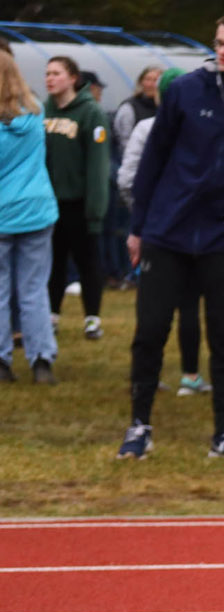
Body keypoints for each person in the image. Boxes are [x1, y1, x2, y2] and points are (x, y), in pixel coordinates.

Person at [120, 8, 224, 462]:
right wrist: (139, 228)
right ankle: (139, 425)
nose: (222, 51)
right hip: (166, 232)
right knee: (151, 330)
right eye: (218, 42)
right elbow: (153, 159)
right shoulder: (184, 90)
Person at [115, 68, 206, 396]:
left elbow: (128, 180)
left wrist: (143, 216)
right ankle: (189, 375)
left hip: (157, 230)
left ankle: (146, 377)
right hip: (188, 230)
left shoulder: (147, 128)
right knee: (188, 303)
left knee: (152, 306)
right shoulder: (201, 128)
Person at [41, 55, 111, 347]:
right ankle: (52, 316)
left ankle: (92, 318)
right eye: (47, 73)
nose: (49, 78)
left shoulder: (91, 112)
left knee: (87, 262)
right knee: (52, 263)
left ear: (73, 78)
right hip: (48, 202)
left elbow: (98, 165)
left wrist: (94, 209)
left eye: (56, 73)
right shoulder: (42, 111)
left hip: (79, 203)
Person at [0, 50, 58, 384]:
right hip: (37, 208)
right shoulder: (35, 112)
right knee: (35, 288)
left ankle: (2, 360)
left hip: (4, 211)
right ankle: (41, 359)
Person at [103, 65, 161, 289]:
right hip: (133, 175)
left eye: (157, 79)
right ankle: (124, 271)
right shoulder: (130, 109)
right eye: (148, 78)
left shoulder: (170, 110)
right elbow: (126, 145)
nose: (152, 83)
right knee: (125, 228)